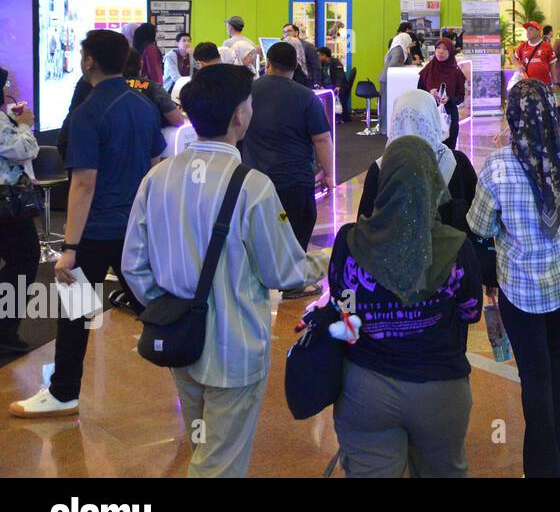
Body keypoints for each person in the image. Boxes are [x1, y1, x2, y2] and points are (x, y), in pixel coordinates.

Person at [120, 64, 329, 477]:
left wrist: (170, 307)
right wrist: (329, 260)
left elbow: (133, 264)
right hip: (236, 350)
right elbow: (284, 272)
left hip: (182, 342)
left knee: (202, 446)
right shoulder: (252, 186)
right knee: (220, 464)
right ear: (240, 116)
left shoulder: (157, 178)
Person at [10, 31, 165, 419]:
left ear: (89, 61)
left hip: (94, 235)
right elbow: (154, 165)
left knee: (76, 314)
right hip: (133, 231)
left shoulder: (89, 112)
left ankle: (64, 393)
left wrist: (70, 248)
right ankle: (199, 375)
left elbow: (83, 183)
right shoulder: (143, 105)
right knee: (155, 308)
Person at [330, 135, 482, 478]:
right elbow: (470, 312)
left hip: (366, 386)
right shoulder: (456, 248)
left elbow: (345, 316)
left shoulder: (350, 242)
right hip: (440, 388)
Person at [468, 79, 560, 477]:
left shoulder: (498, 166)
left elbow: (480, 226)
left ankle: (543, 466)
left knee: (534, 377)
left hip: (520, 293)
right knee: (552, 358)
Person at [241, 42, 334, 286]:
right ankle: (293, 284)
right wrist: (330, 174)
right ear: (295, 66)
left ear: (268, 64)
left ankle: (252, 281)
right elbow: (322, 139)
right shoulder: (306, 97)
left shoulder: (247, 92)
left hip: (253, 179)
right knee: (297, 230)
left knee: (254, 232)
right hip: (294, 180)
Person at [360, 90, 477, 234]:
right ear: (433, 119)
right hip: (452, 252)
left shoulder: (380, 169)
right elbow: (477, 219)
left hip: (394, 254)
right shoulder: (457, 164)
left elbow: (364, 227)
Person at [0, 74, 39, 355]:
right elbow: (24, 149)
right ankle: (4, 330)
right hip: (7, 204)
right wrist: (25, 126)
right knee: (24, 259)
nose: (7, 91)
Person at [417, 37, 467, 150]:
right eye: (438, 48)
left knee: (448, 150)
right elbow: (419, 91)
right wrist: (429, 92)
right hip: (429, 115)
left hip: (449, 117)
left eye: (445, 49)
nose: (440, 51)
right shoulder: (428, 69)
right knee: (429, 150)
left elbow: (461, 97)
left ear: (450, 51)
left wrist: (449, 99)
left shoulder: (456, 72)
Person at [124, 49, 186, 128]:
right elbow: (178, 121)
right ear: (141, 64)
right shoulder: (154, 88)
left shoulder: (111, 89)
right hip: (150, 137)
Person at [378, 29, 413, 131]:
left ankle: (385, 127)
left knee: (387, 103)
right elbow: (394, 65)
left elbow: (408, 62)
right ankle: (384, 128)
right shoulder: (398, 50)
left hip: (387, 79)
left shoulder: (401, 49)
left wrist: (408, 52)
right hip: (386, 80)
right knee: (386, 104)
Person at [514, 21, 555, 88]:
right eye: (527, 30)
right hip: (527, 85)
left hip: (544, 84)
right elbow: (513, 57)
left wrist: (555, 82)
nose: (528, 32)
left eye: (531, 29)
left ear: (538, 32)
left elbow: (553, 65)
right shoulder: (523, 45)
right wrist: (518, 66)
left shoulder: (547, 46)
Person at [283, 23, 322, 88]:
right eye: (284, 32)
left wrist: (317, 84)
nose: (286, 34)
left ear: (296, 33)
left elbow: (316, 66)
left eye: (289, 31)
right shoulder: (283, 46)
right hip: (290, 81)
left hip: (305, 81)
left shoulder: (307, 46)